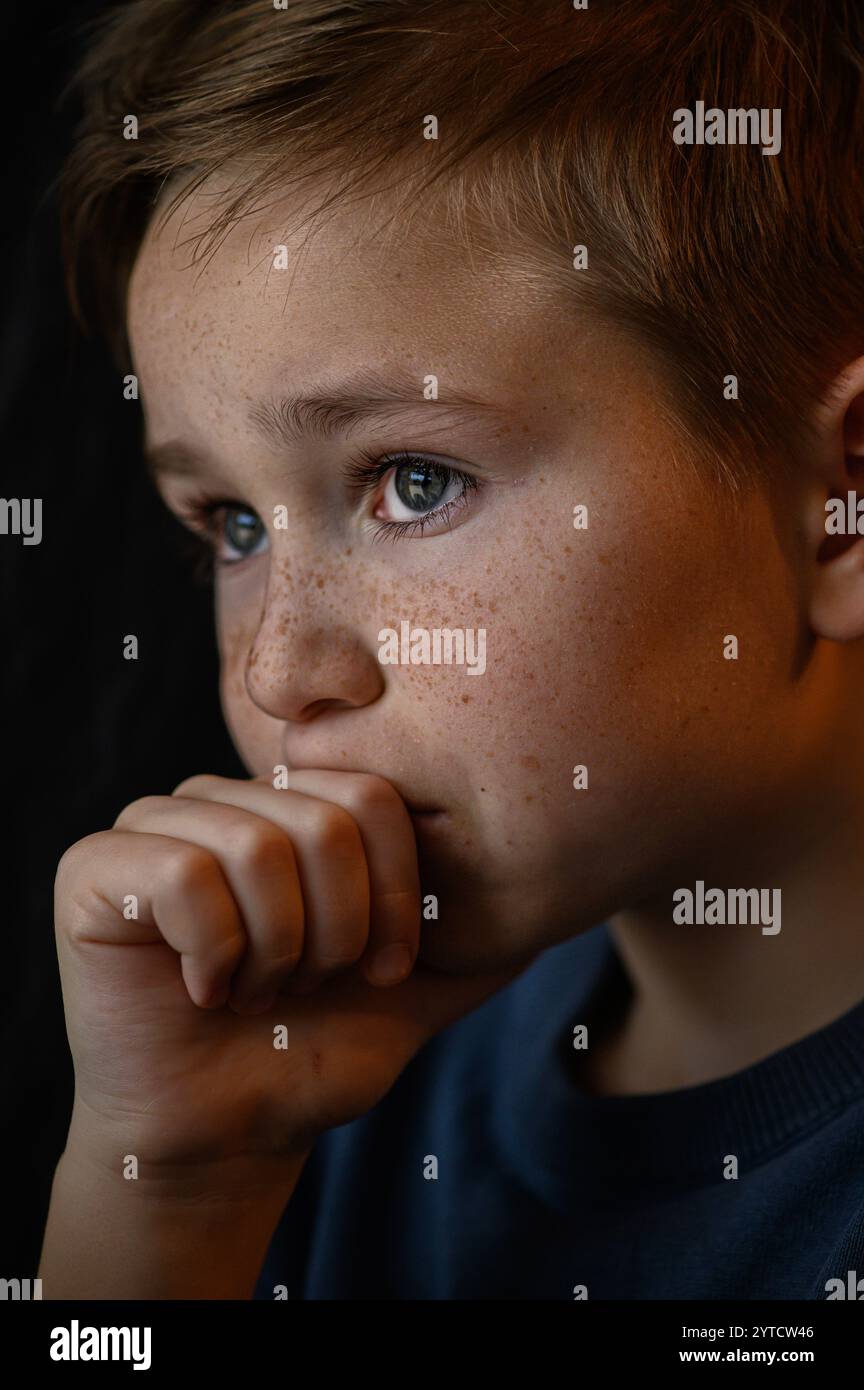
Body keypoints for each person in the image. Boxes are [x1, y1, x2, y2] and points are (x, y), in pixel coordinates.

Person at [40, 0, 864, 1299]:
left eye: (413, 482)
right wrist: (172, 1198)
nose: (278, 673)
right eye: (233, 523)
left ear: (842, 499)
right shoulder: (320, 1065)